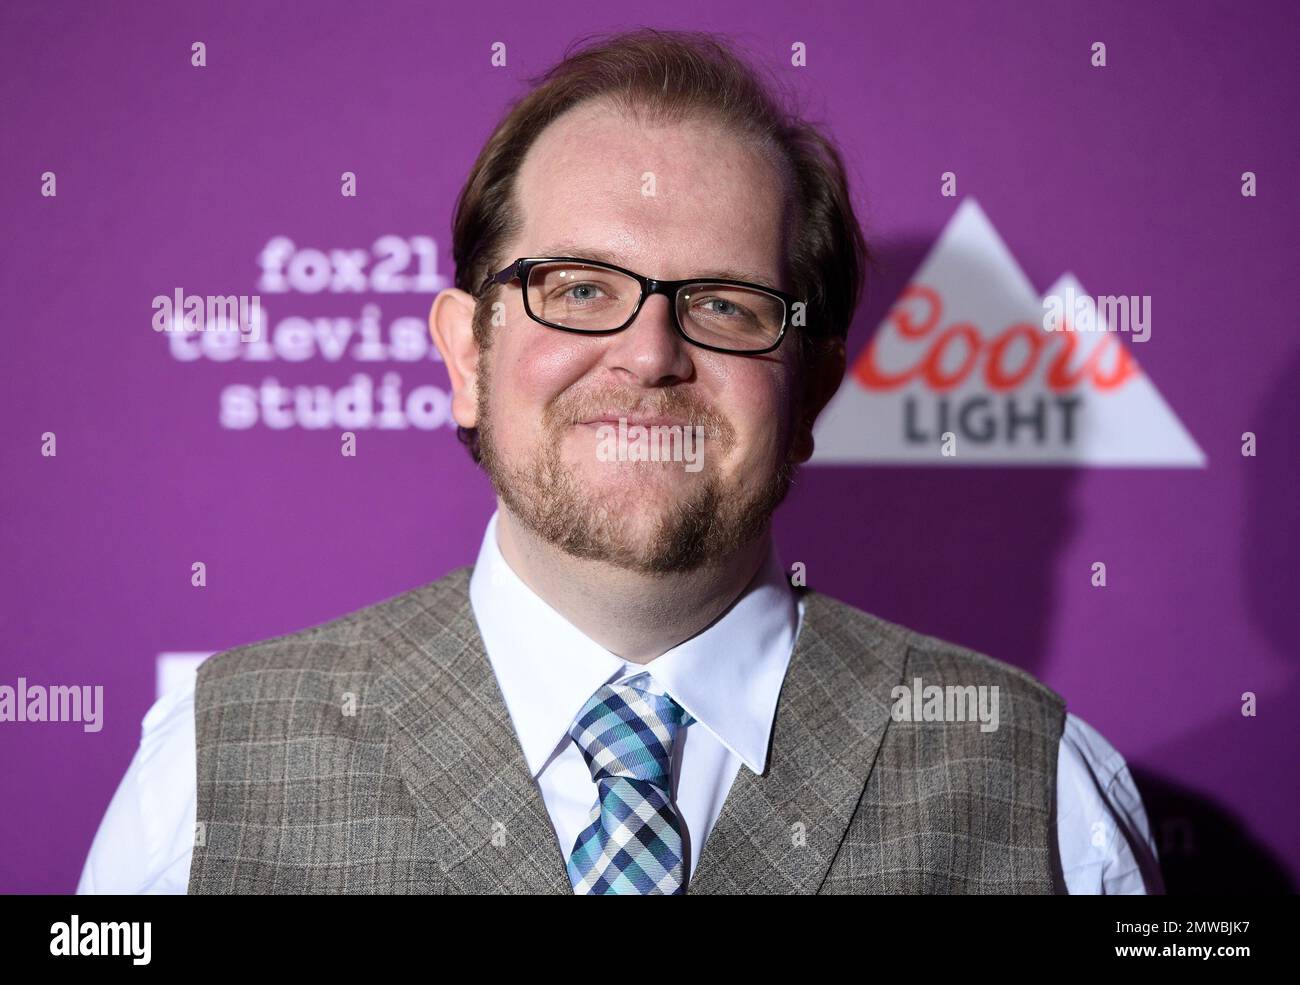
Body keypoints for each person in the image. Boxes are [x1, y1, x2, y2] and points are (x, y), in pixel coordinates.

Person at [78, 28, 1162, 895]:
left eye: (725, 304)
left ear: (811, 393)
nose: (649, 356)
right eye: (580, 288)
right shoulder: (208, 777)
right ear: (467, 353)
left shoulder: (1042, 796)